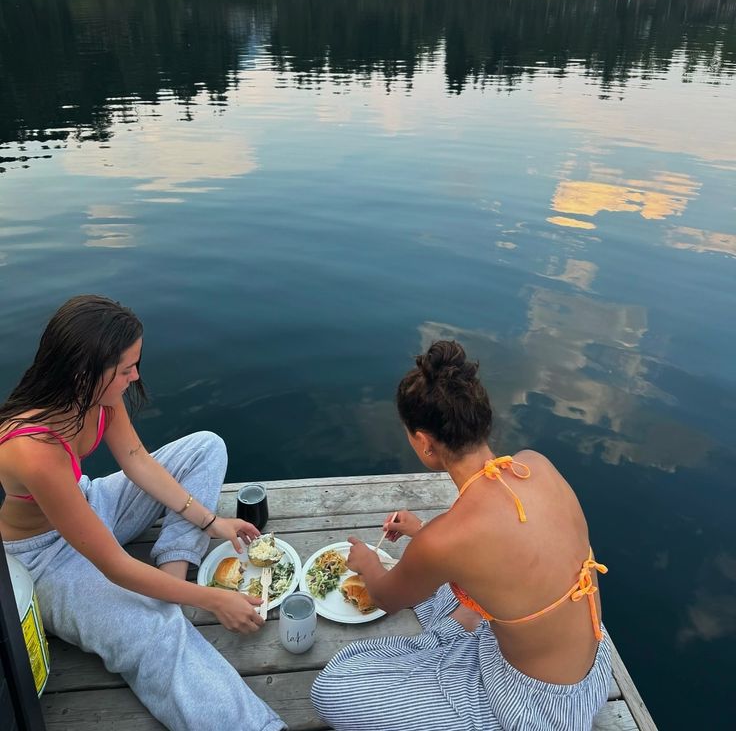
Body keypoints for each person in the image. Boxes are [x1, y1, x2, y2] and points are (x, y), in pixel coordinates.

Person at [0, 295, 284, 731]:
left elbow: (137, 459)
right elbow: (114, 566)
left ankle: (171, 579)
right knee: (152, 632)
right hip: (46, 560)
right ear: (84, 371)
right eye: (127, 368)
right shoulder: (34, 451)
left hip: (88, 503)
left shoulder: (96, 399)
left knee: (206, 447)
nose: (136, 376)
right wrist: (214, 599)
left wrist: (213, 522)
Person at [312, 340, 612, 731]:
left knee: (333, 685)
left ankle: (456, 644)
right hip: (593, 667)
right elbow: (513, 548)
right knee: (463, 600)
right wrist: (423, 534)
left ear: (423, 442)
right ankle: (463, 627)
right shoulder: (536, 463)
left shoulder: (446, 539)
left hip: (536, 708)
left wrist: (369, 562)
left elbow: (384, 597)